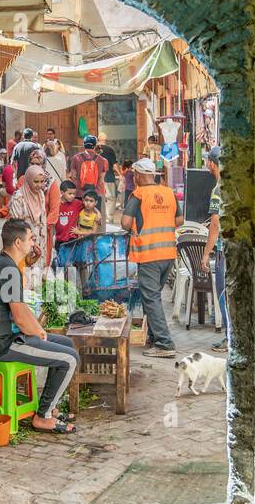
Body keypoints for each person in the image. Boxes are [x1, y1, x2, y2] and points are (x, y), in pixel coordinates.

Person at [0, 218, 79, 434]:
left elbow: (21, 308)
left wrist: (39, 332)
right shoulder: (8, 269)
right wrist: (38, 332)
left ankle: (49, 408)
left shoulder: (4, 263)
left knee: (66, 342)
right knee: (69, 359)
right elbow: (21, 317)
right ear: (17, 242)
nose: (34, 243)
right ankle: (43, 416)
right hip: (3, 344)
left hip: (6, 336)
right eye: (31, 238)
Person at [121, 157, 182, 357]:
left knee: (151, 298)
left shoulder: (138, 194)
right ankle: (154, 337)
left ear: (138, 175)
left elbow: (125, 223)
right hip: (168, 254)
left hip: (148, 254)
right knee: (153, 296)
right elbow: (179, 220)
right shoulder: (168, 192)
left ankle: (165, 344)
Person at [200, 145, 228, 353]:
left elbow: (216, 224)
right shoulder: (229, 186)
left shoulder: (217, 190)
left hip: (223, 251)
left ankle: (229, 337)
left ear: (211, 163)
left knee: (223, 294)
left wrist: (206, 253)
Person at [10, 163, 56, 266]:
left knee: (37, 275)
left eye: (42, 182)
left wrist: (41, 243)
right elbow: (16, 225)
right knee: (24, 274)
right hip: (23, 241)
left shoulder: (40, 195)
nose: (39, 185)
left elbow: (42, 220)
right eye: (36, 182)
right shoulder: (19, 197)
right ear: (29, 180)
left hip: (40, 243)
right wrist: (32, 242)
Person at [68, 134, 108, 204]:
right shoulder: (102, 160)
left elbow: (73, 176)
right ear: (95, 145)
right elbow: (101, 179)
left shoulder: (76, 157)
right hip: (96, 194)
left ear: (84, 145)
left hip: (80, 194)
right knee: (96, 214)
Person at [97, 133, 118, 205]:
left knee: (98, 197)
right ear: (106, 139)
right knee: (110, 198)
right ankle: (109, 216)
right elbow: (115, 165)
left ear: (98, 139)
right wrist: (120, 175)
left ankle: (100, 214)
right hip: (108, 177)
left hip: (96, 178)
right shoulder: (110, 150)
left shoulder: (94, 150)